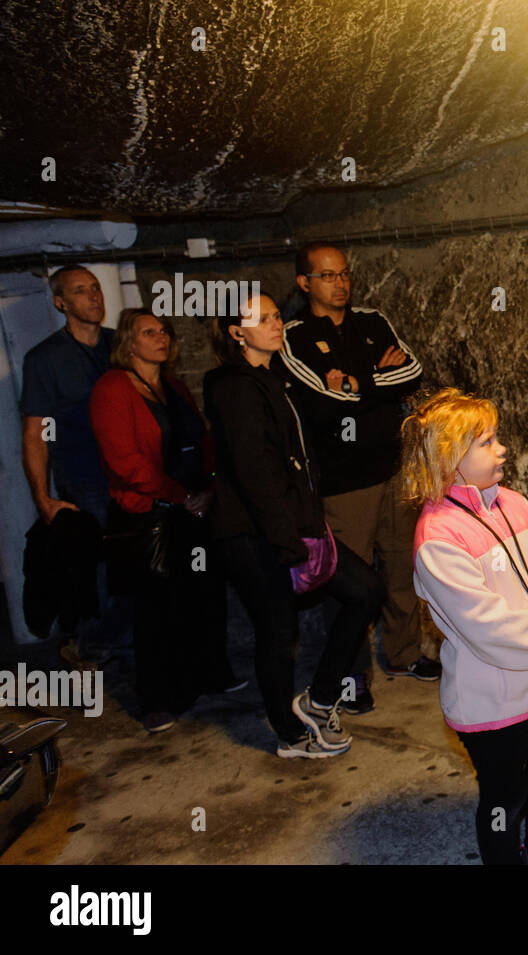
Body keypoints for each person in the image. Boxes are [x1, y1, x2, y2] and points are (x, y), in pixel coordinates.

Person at [405, 388, 528, 865]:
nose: (502, 450)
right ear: (451, 458)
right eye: (487, 442)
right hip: (491, 699)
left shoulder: (512, 503)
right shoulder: (439, 538)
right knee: (504, 798)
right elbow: (487, 625)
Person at [203, 292, 383, 758]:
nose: (275, 324)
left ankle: (320, 698)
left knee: (365, 589)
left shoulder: (274, 376)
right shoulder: (233, 386)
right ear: (235, 332)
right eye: (261, 319)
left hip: (293, 524)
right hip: (254, 533)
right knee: (277, 630)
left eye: (277, 315)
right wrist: (288, 542)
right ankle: (289, 734)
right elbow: (255, 471)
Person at [278, 242, 433, 715]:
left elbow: (411, 372)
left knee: (402, 568)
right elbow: (321, 401)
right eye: (327, 276)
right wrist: (371, 385)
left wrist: (353, 382)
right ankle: (350, 680)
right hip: (344, 484)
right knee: (351, 584)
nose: (340, 283)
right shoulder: (294, 335)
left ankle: (404, 655)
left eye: (344, 274)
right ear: (305, 283)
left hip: (394, 469)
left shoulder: (374, 321)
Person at [89, 309, 240, 733]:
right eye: (148, 332)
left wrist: (209, 486)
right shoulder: (113, 387)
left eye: (163, 331)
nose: (160, 337)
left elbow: (202, 438)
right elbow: (124, 462)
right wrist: (181, 496)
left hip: (193, 509)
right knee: (156, 607)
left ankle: (209, 675)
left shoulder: (172, 385)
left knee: (204, 592)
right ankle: (158, 698)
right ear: (127, 342)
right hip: (151, 516)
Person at [19, 265, 116, 666]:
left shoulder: (121, 344)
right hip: (84, 476)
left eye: (95, 288)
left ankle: (127, 641)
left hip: (132, 471)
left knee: (137, 558)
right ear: (61, 302)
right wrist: (43, 497)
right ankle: (88, 643)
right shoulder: (45, 359)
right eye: (80, 291)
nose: (94, 296)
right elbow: (35, 432)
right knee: (96, 563)